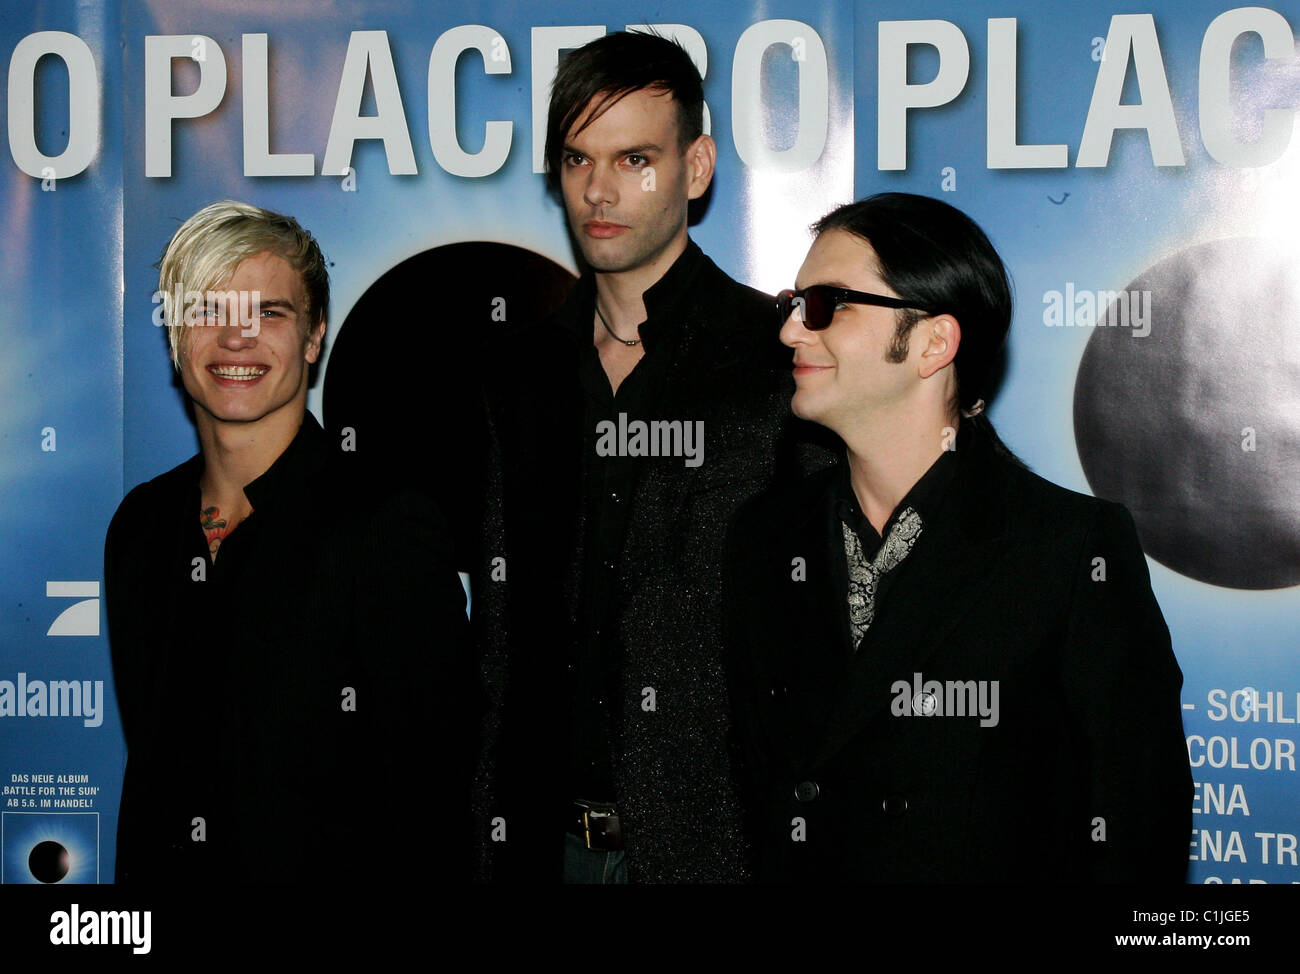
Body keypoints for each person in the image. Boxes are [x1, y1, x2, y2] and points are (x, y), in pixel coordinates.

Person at [723, 192, 1191, 882]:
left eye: (827, 306)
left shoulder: (1065, 551)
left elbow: (1138, 832)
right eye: (792, 305)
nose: (793, 331)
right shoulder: (765, 538)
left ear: (933, 343)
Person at [474, 31, 830, 883]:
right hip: (537, 848)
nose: (599, 189)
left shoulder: (778, 360)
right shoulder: (523, 372)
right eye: (576, 158)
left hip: (717, 854)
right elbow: (498, 640)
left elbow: (818, 639)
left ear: (696, 168)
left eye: (634, 157)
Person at [106, 200, 476, 882]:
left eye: (268, 313)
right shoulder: (142, 524)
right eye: (209, 311)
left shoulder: (386, 525)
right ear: (174, 335)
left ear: (314, 337)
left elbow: (436, 800)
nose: (237, 338)